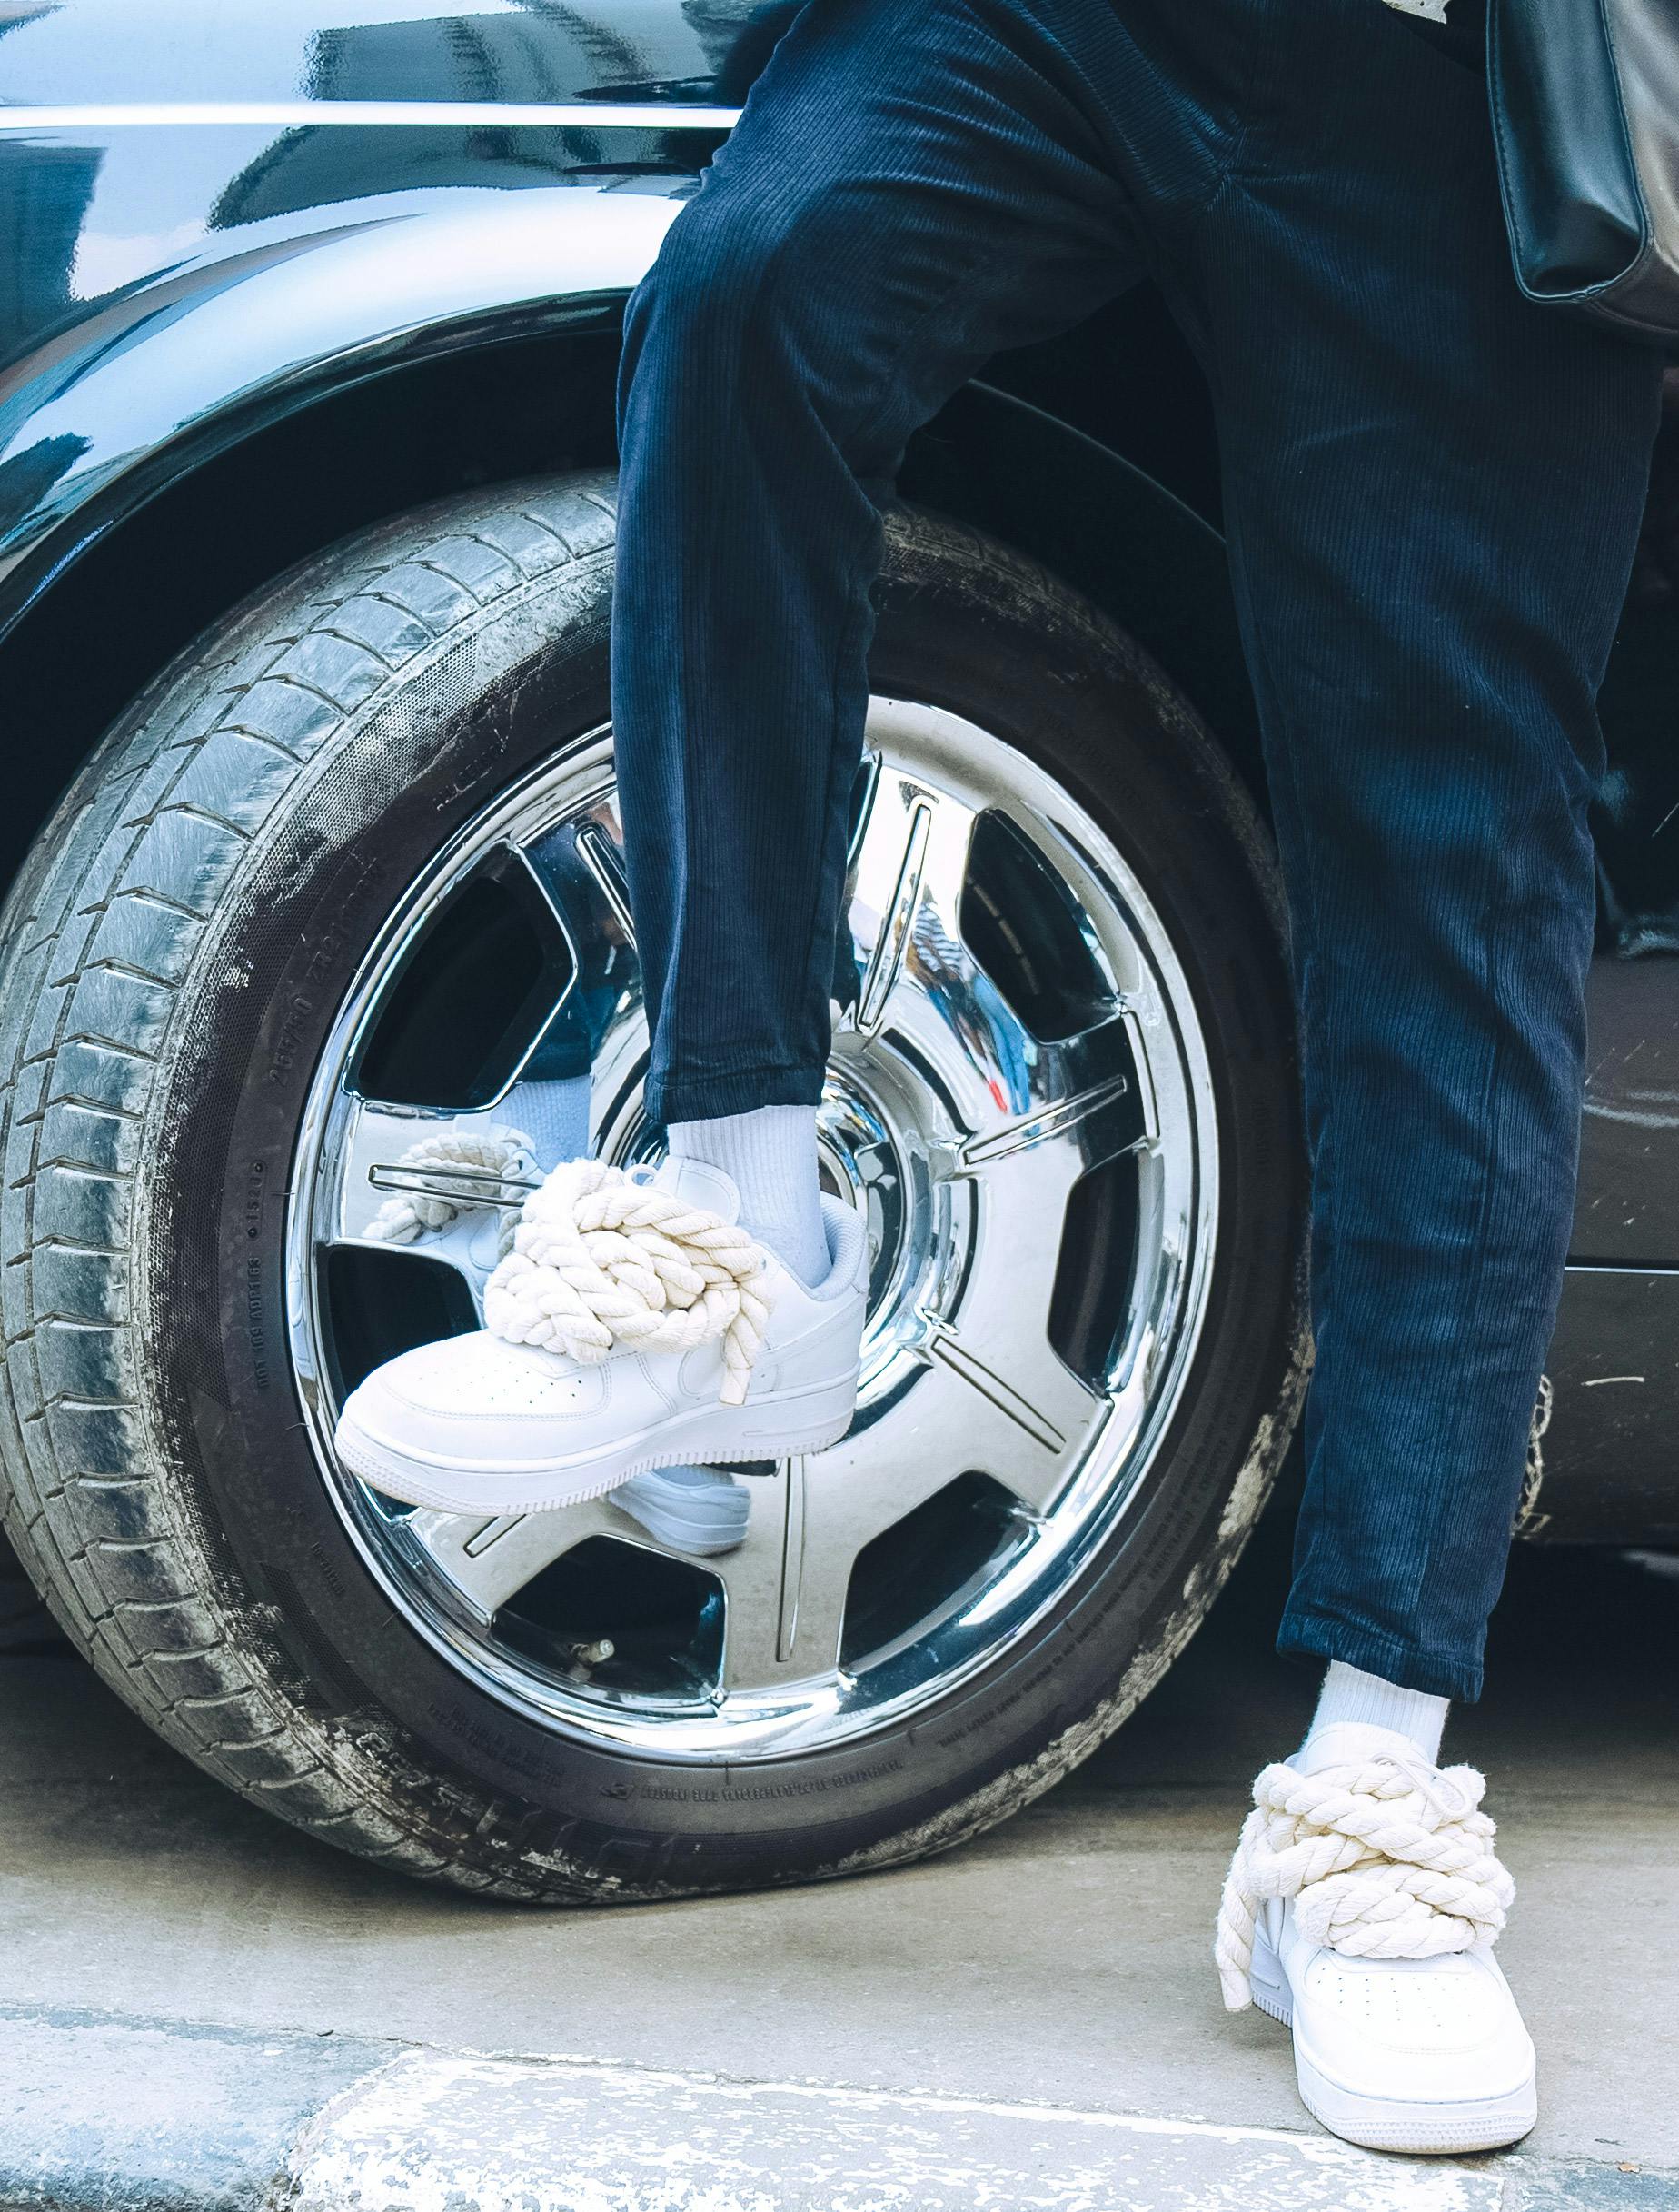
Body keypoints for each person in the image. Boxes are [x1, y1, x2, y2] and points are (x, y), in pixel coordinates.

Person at [334, 0, 1664, 2157]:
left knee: (1456, 868)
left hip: (1458, 86)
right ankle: (746, 1228)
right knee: (758, 286)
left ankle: (1374, 1803)